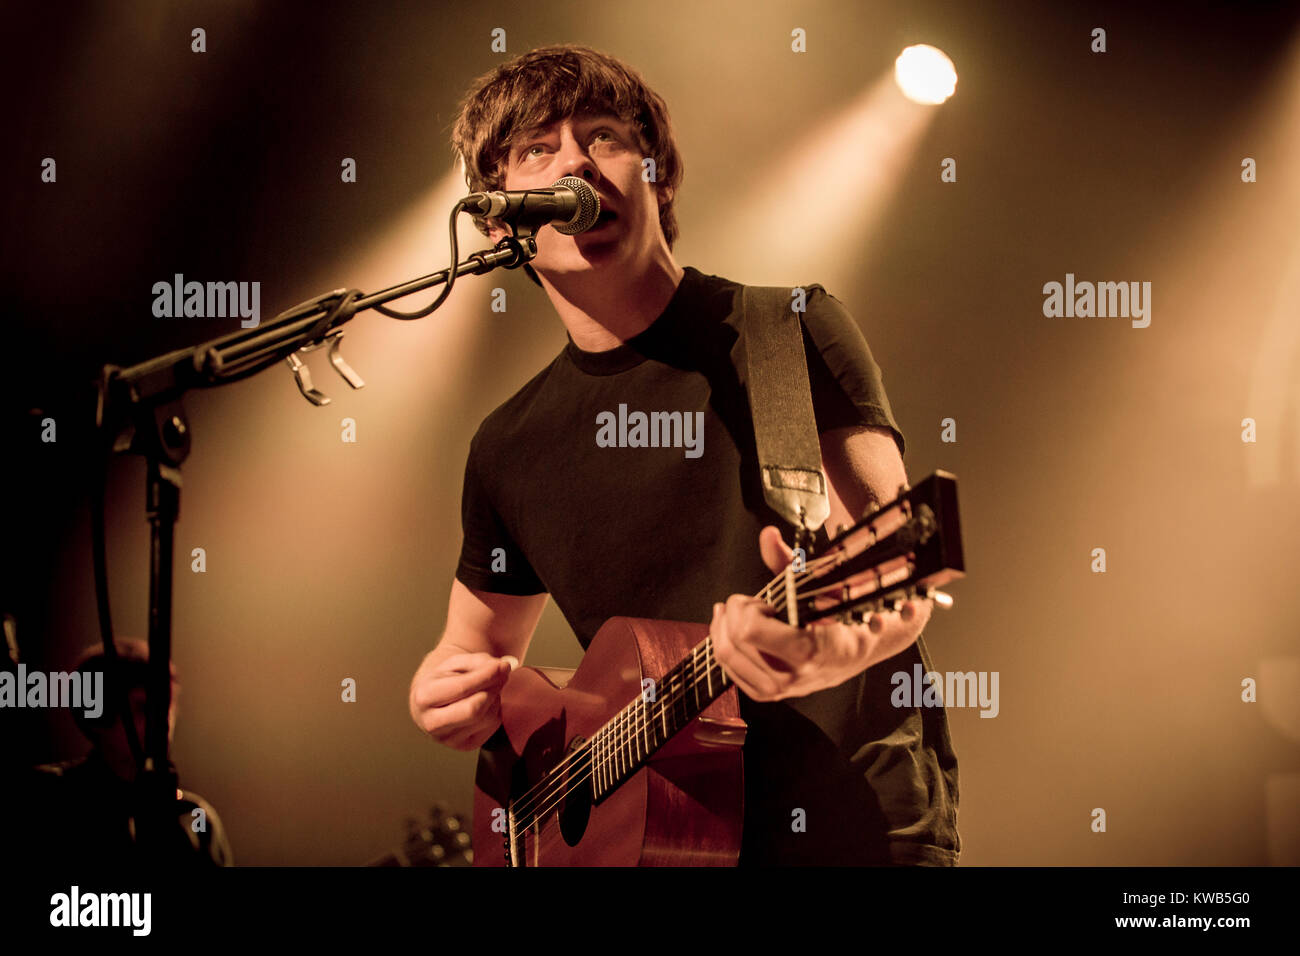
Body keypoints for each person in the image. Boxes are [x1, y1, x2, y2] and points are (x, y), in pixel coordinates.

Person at [409, 44, 959, 865]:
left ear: (656, 175)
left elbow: (895, 571)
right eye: (536, 150)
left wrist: (829, 650)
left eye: (602, 137)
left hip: (849, 825)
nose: (574, 163)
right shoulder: (508, 445)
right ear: (498, 221)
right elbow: (473, 653)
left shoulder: (785, 331)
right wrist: (445, 691)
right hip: (654, 848)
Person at [6, 639, 232, 867]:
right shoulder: (46, 799)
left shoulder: (194, 818)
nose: (163, 720)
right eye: (143, 708)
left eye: (168, 705)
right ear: (97, 716)